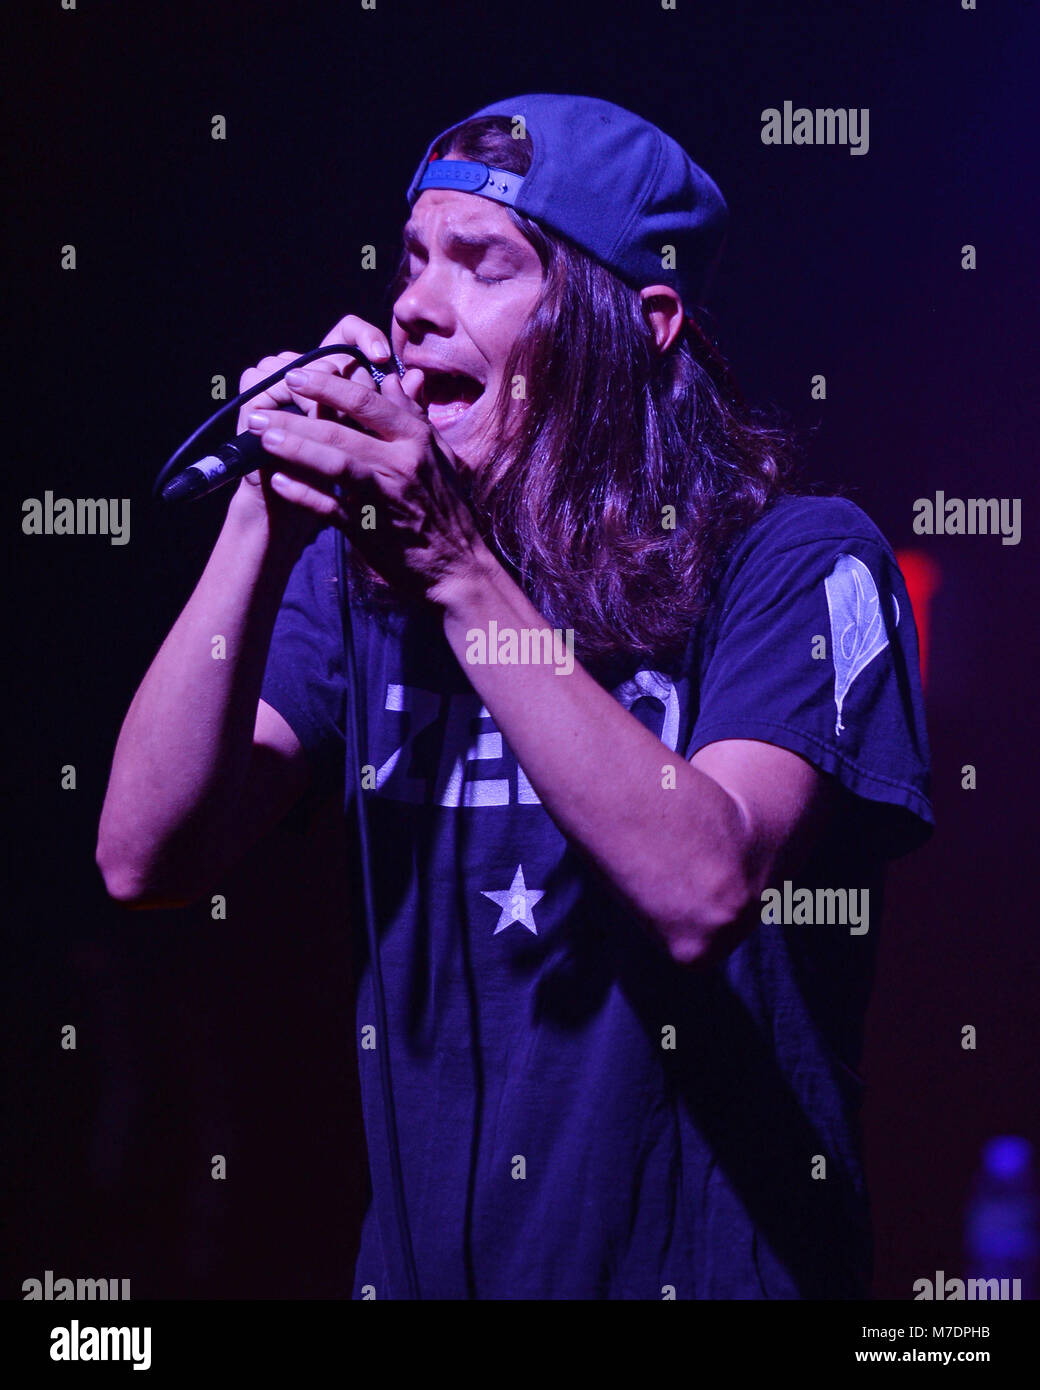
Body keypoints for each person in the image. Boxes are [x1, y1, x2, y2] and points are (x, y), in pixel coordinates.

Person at [97, 93, 933, 1299]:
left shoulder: (799, 561)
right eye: (411, 262)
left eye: (481, 264)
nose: (412, 306)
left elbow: (703, 887)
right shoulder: (357, 580)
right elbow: (144, 856)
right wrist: (259, 529)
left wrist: (453, 568)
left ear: (637, 322)